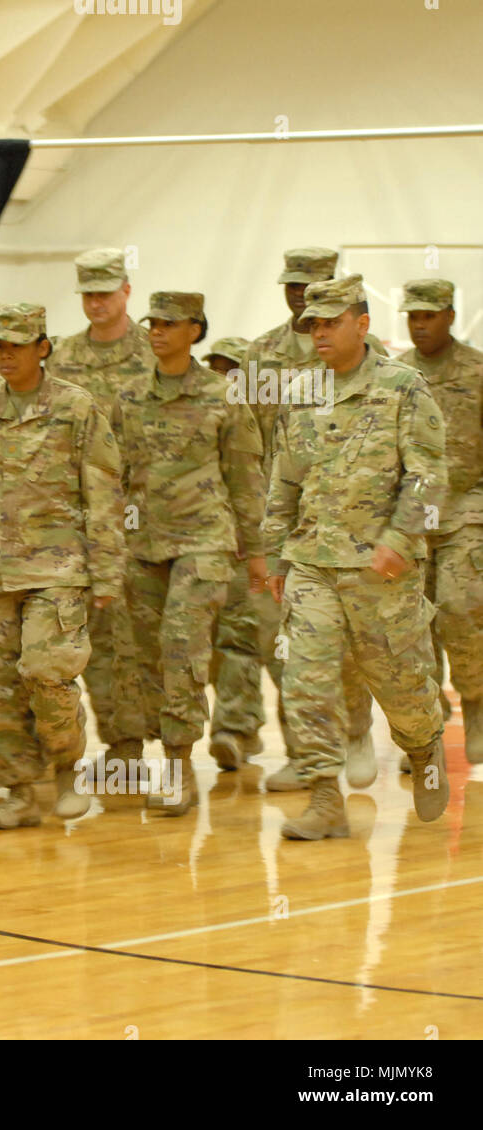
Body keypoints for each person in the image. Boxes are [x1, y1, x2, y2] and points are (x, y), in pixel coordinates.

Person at [263, 275, 447, 840]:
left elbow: (428, 473)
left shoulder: (403, 387)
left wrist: (398, 536)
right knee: (306, 677)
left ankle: (424, 744)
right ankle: (324, 798)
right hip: (314, 562)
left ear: (362, 324)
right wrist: (275, 553)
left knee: (398, 680)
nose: (318, 332)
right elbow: (284, 479)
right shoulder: (299, 392)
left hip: (381, 568)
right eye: (312, 324)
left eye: (329, 322)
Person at [0, 303, 124, 826]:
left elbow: (103, 493)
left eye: (19, 344)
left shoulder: (75, 408)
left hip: (58, 572)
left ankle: (67, 768)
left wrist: (107, 572)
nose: (7, 354)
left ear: (44, 347)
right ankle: (17, 790)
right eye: (0, 346)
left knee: (46, 675)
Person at [113, 292, 265, 815]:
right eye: (153, 323)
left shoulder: (222, 397)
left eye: (170, 324)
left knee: (183, 649)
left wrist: (258, 552)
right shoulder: (129, 396)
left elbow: (246, 479)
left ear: (195, 331)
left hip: (204, 544)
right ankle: (162, 753)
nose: (157, 331)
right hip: (143, 546)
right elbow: (111, 474)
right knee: (148, 658)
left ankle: (180, 770)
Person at [238, 248, 382, 790]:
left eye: (313, 284)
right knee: (289, 645)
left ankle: (357, 728)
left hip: (351, 522)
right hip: (284, 518)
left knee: (350, 644)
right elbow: (248, 443)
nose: (301, 294)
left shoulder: (373, 356)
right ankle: (305, 754)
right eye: (293, 284)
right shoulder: (261, 355)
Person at [45, 248, 149, 778]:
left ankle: (139, 740)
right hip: (79, 520)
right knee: (94, 637)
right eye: (88, 293)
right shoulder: (62, 358)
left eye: (106, 292)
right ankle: (105, 741)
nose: (97, 303)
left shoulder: (153, 351)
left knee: (139, 640)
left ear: (127, 291)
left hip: (147, 519)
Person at [395, 278, 483, 764]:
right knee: (412, 630)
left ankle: (475, 701)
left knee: (460, 607)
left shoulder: (477, 370)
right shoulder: (395, 374)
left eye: (428, 315)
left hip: (466, 507)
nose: (419, 324)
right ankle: (424, 738)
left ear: (450, 315)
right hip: (410, 516)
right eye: (413, 315)